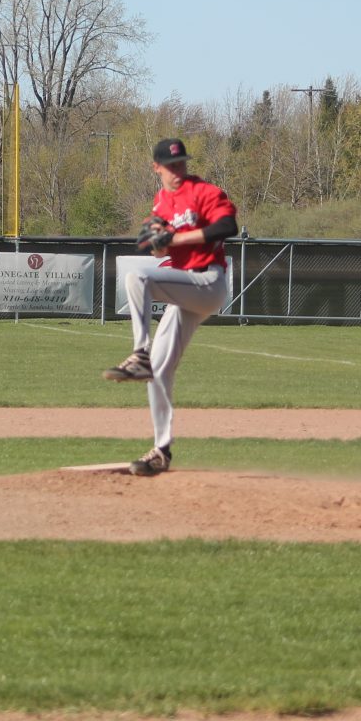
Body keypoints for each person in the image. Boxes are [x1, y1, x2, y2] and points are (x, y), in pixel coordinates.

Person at [103, 138, 238, 476]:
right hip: (185, 288)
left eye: (182, 164)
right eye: (171, 165)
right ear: (156, 168)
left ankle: (139, 353)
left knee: (137, 278)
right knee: (160, 372)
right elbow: (159, 249)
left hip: (208, 282)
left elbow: (227, 227)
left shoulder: (205, 192)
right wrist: (157, 245)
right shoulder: (163, 200)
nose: (178, 170)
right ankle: (161, 451)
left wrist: (175, 239)